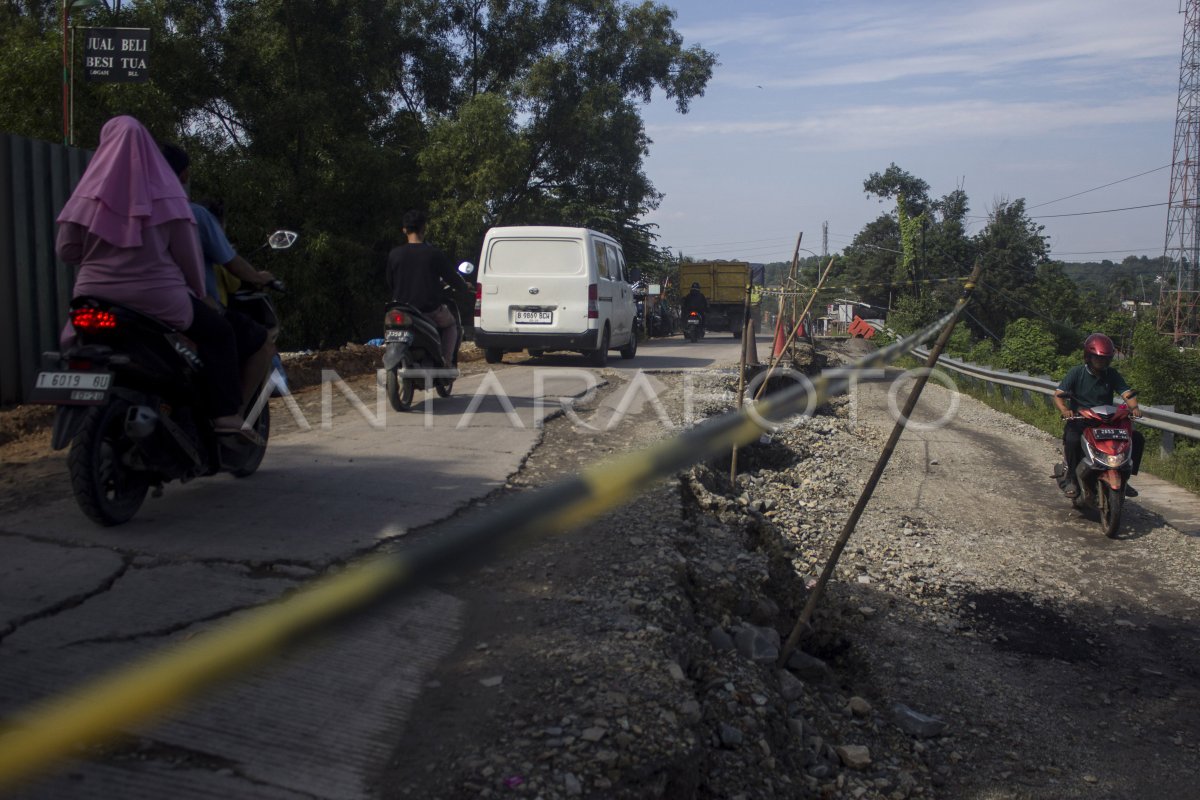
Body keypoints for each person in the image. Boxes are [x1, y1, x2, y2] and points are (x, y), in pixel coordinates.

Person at [55, 115, 251, 438]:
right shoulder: (168, 195)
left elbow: (66, 251)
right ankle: (225, 415)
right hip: (158, 299)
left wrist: (99, 259)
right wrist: (199, 290)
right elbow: (188, 258)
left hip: (93, 296)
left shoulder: (85, 196)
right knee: (219, 333)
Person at [159, 144, 275, 408]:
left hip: (115, 303)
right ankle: (232, 413)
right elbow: (231, 265)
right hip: (180, 303)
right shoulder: (192, 215)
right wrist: (258, 276)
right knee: (239, 337)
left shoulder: (124, 210)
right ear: (185, 175)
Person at [1053, 333, 1145, 498]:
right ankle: (1071, 480)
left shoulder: (1112, 374)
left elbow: (1127, 393)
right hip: (1081, 420)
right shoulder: (1077, 373)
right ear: (1088, 357)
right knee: (1073, 440)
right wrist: (1065, 410)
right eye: (1098, 358)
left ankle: (1124, 476)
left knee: (1136, 439)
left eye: (1105, 359)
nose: (1102, 362)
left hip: (1106, 420)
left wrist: (1134, 407)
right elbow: (1059, 394)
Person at [385, 209, 472, 372]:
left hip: (401, 309)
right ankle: (446, 362)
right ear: (424, 228)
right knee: (451, 325)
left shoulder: (394, 254)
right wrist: (464, 287)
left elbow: (390, 282)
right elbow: (452, 278)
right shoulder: (433, 254)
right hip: (429, 310)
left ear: (404, 230)